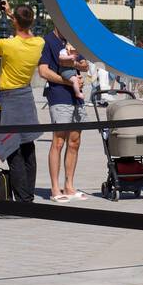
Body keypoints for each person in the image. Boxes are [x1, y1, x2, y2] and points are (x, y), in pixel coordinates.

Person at [0, 1, 45, 203]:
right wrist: (12, 14)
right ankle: (28, 194)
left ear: (15, 22)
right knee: (28, 147)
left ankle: (22, 198)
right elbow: (26, 28)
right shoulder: (39, 43)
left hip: (9, 100)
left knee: (13, 149)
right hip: (26, 97)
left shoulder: (7, 44)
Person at [38, 26, 90, 202]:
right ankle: (55, 188)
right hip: (59, 95)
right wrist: (66, 82)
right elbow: (43, 71)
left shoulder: (73, 40)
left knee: (75, 141)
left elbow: (85, 65)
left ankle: (69, 185)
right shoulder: (48, 40)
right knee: (58, 141)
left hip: (77, 97)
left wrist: (74, 66)